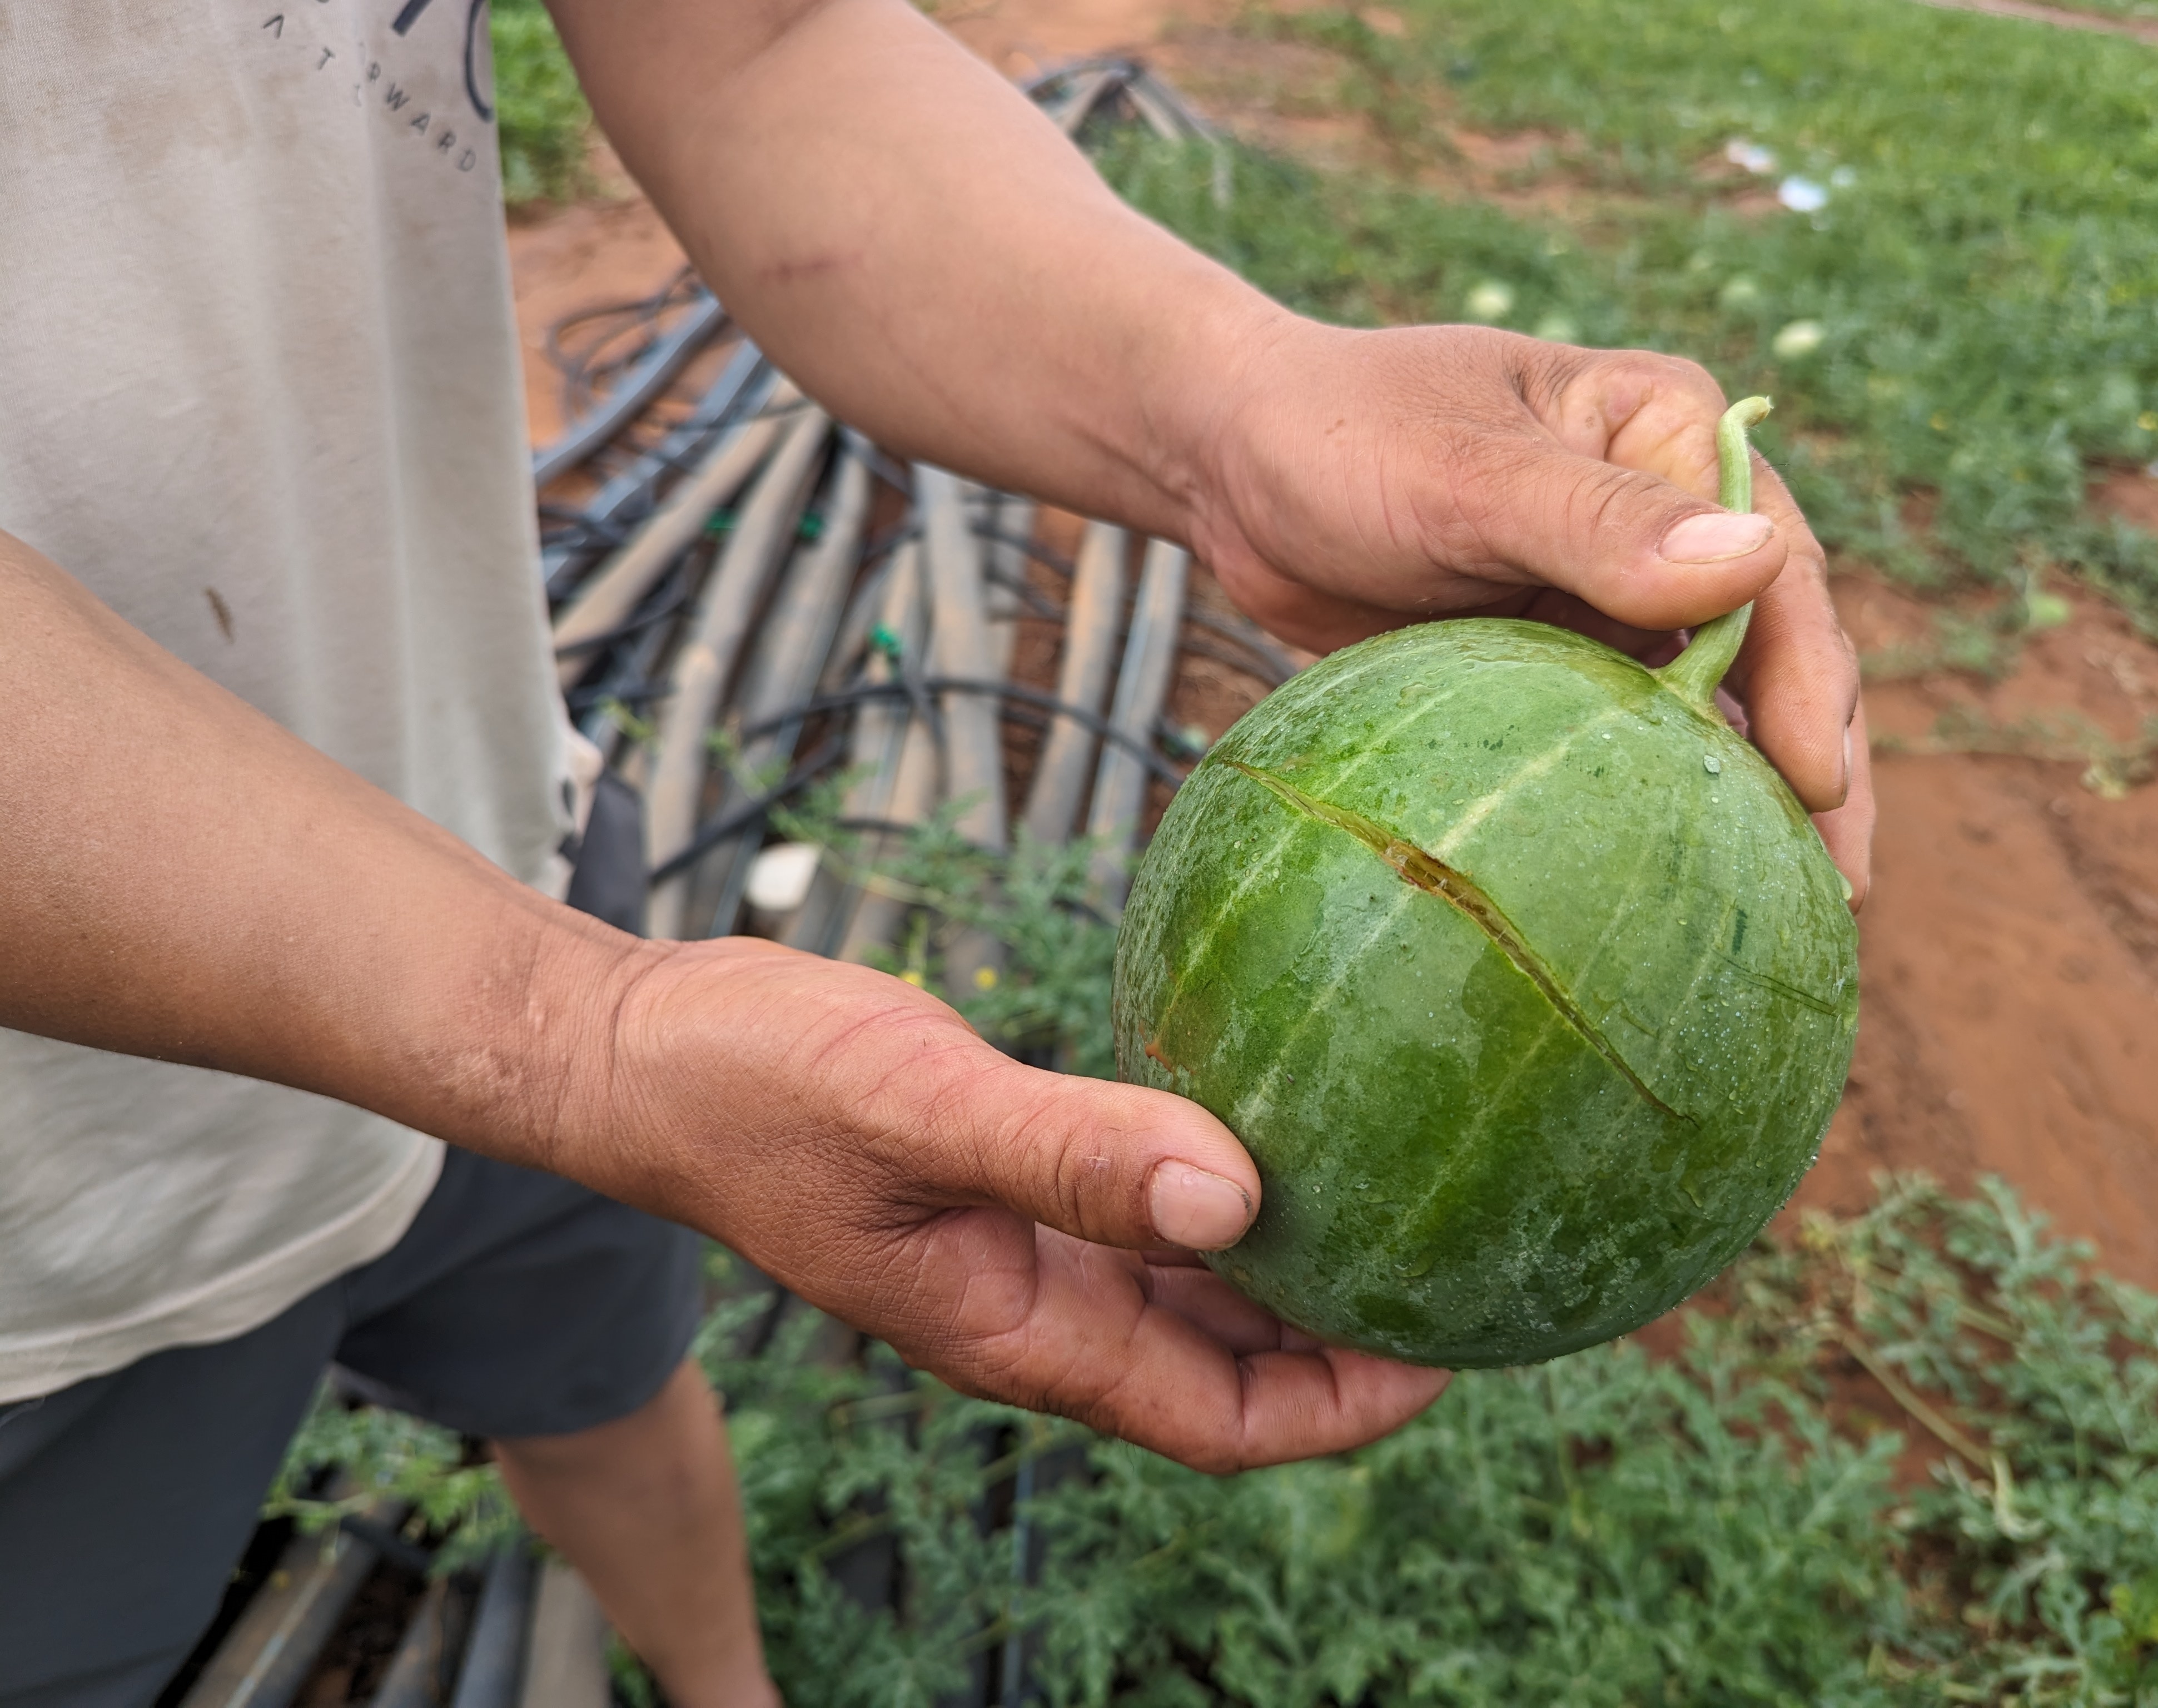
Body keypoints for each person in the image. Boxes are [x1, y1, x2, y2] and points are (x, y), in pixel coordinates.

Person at [0, 0, 1873, 1702]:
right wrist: (567, 1037)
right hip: (50, 1211)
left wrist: (1237, 401)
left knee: (610, 1386)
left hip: (495, 834)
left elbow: (756, 46)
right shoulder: (573, 1021)